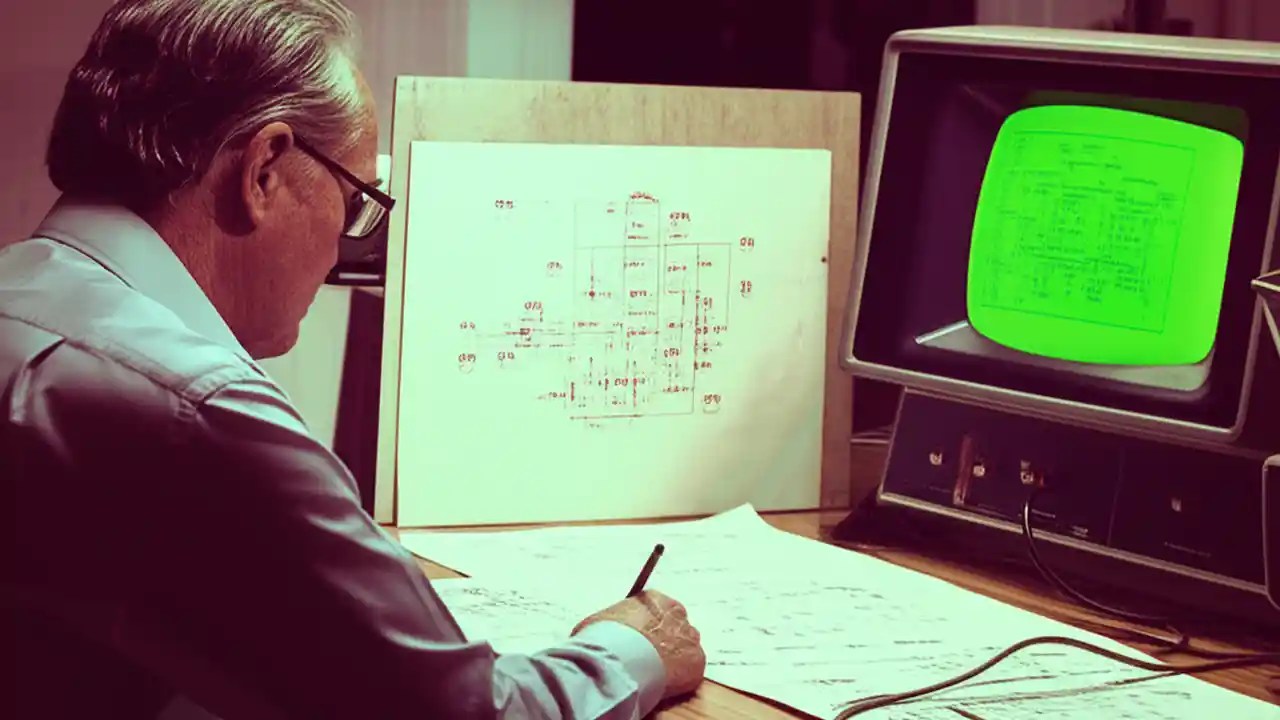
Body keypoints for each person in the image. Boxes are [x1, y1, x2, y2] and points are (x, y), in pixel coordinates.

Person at [1, 1, 707, 718]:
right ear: (265, 170)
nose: (344, 251)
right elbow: (462, 713)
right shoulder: (199, 411)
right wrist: (631, 649)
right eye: (356, 200)